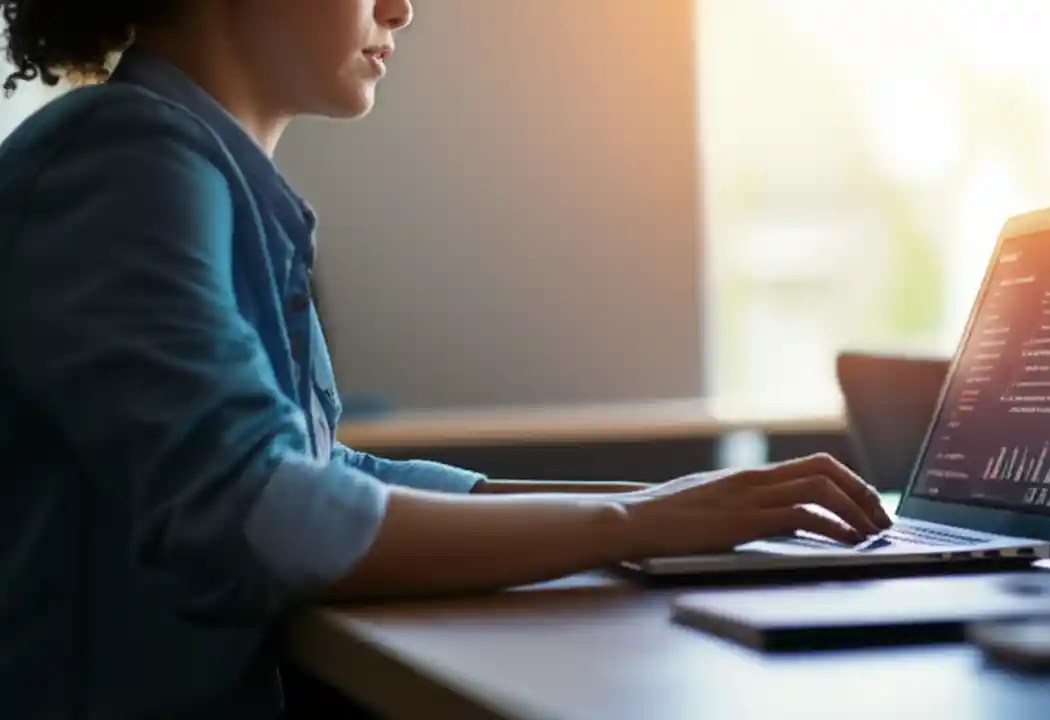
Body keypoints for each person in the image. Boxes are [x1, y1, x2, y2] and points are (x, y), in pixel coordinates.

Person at [0, 1, 892, 716]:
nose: (402, 8)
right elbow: (265, 512)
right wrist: (636, 526)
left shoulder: (199, 170)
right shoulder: (129, 161)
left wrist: (657, 504)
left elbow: (320, 469)